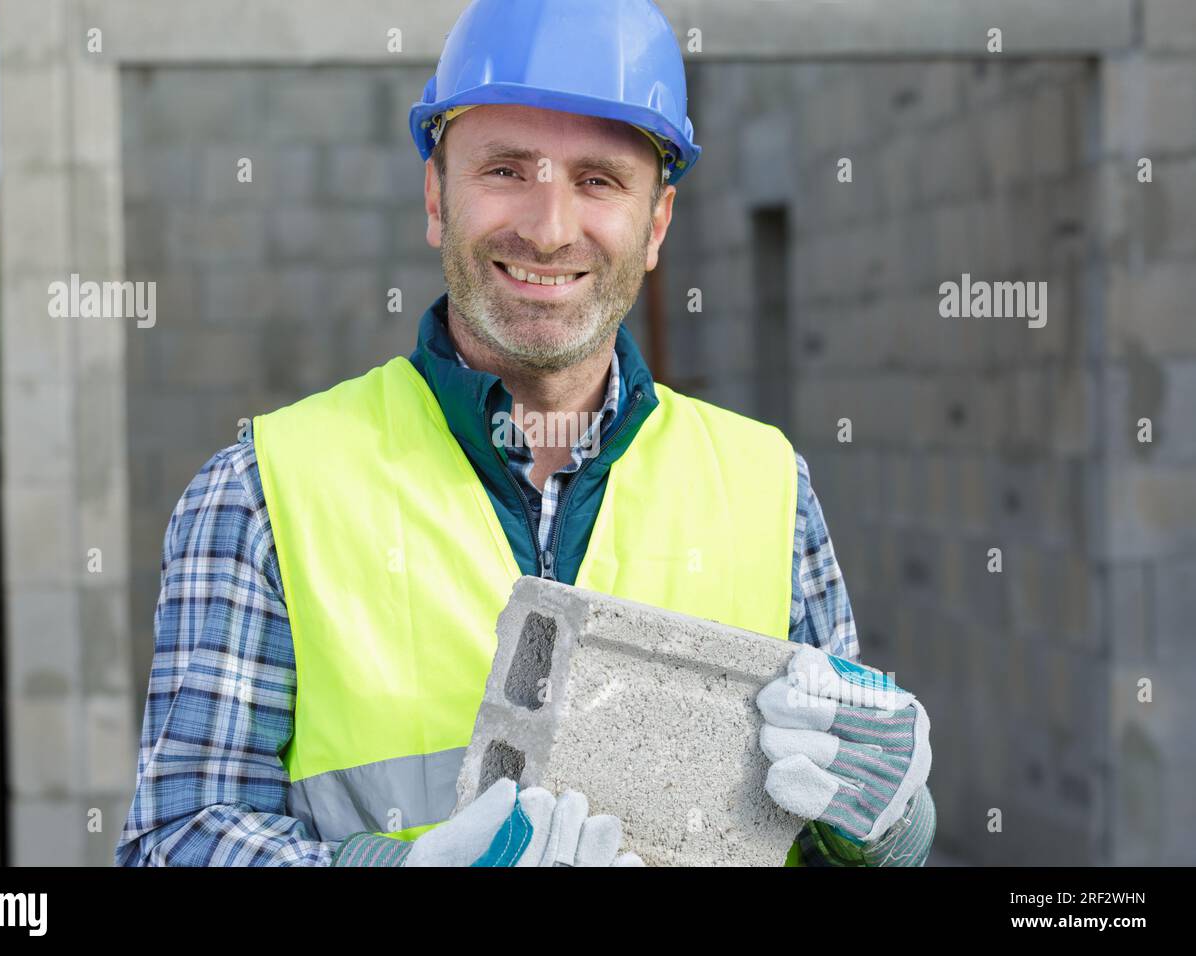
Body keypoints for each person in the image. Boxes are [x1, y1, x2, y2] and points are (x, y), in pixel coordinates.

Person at [116, 0, 935, 867]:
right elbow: (176, 842)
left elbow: (819, 831)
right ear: (436, 196)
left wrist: (882, 833)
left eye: (598, 180)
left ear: (655, 224)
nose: (548, 229)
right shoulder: (263, 492)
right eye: (506, 169)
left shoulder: (767, 485)